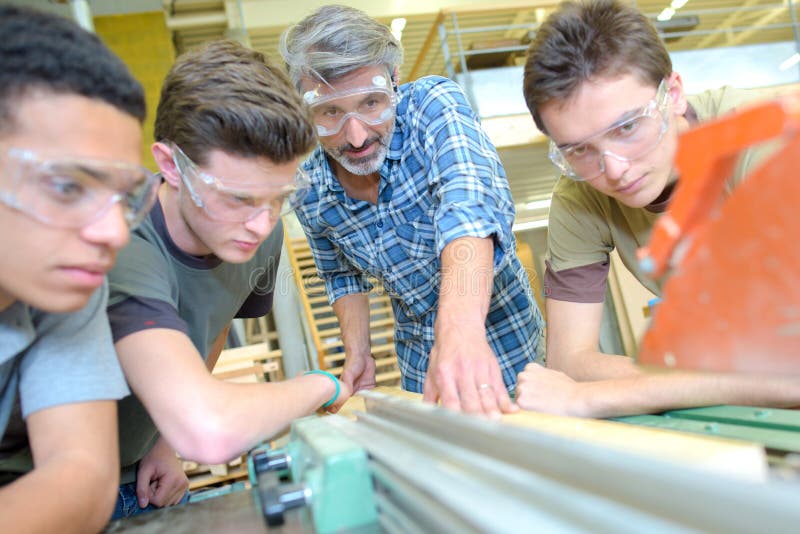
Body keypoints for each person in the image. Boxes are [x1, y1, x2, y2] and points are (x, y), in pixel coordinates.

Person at [516, 0, 800, 417]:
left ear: (675, 93)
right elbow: (570, 361)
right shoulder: (578, 198)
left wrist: (591, 397)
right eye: (579, 149)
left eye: (627, 127)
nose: (613, 169)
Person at [104, 40, 351, 519]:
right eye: (238, 198)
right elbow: (207, 430)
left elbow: (215, 325)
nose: (261, 224)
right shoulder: (119, 244)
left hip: (137, 473)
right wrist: (323, 385)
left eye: (279, 197)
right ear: (172, 165)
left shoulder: (260, 232)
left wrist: (161, 439)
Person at [279, 4, 544, 418]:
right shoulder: (310, 188)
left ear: (395, 83)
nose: (356, 135)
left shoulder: (432, 108)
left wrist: (458, 333)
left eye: (371, 103)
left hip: (503, 332)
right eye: (330, 112)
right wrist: (359, 352)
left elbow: (469, 208)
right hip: (417, 353)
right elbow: (340, 275)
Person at [0, 6, 161, 531]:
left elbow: (85, 478)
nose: (114, 233)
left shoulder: (62, 288)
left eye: (121, 197)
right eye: (68, 186)